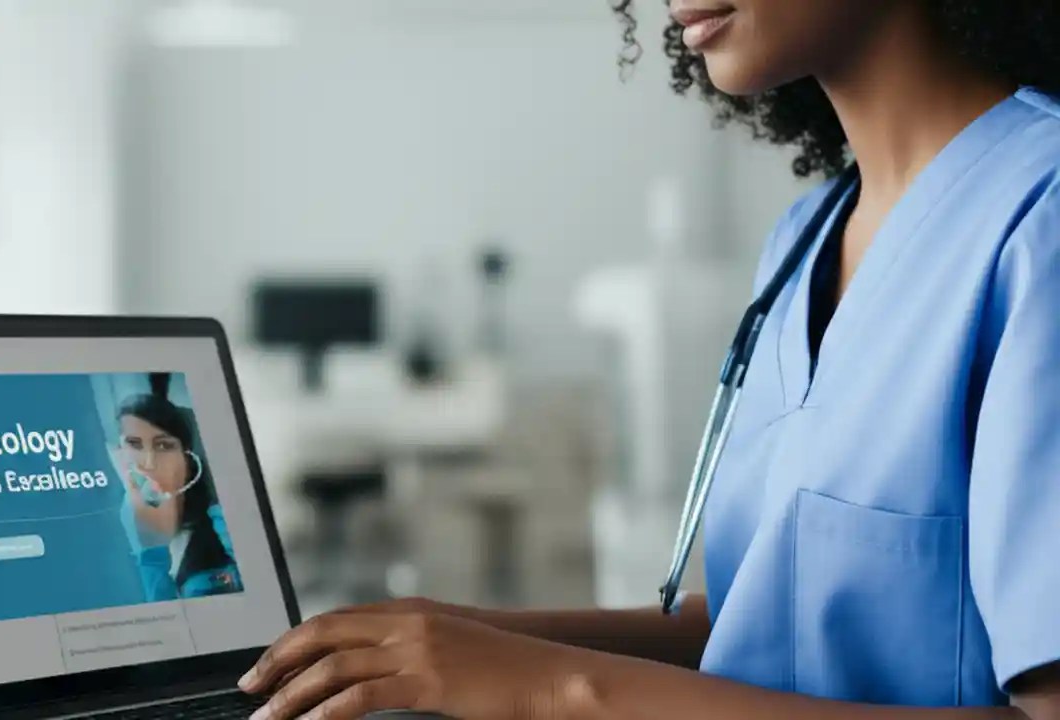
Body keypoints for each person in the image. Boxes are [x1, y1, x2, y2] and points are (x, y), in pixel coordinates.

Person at [237, 1, 1060, 718]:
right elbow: (766, 629)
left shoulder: (1041, 220)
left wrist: (557, 690)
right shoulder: (805, 237)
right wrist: (456, 637)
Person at [116, 392, 242, 600]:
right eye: (134, 444)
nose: (149, 463)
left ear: (188, 457)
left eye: (163, 445)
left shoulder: (222, 524)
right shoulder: (115, 536)